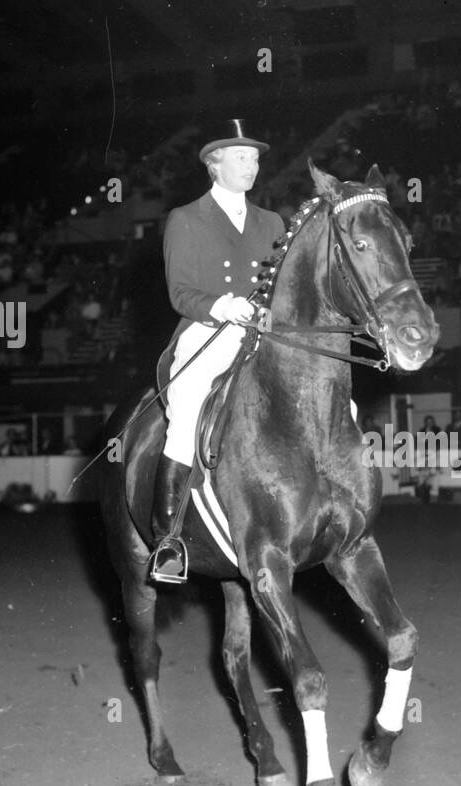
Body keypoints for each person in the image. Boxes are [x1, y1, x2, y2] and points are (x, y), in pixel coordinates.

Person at [150, 120, 286, 583]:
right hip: (209, 330)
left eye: (256, 158)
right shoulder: (185, 218)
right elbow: (179, 292)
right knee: (187, 408)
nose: (253, 165)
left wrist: (270, 312)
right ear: (215, 163)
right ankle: (167, 539)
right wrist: (222, 306)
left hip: (261, 333)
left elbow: (279, 288)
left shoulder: (273, 222)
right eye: (243, 157)